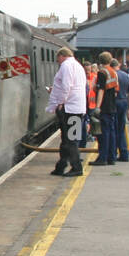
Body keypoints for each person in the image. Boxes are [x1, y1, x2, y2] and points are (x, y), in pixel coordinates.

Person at [47, 47, 86, 177]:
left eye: (57, 58)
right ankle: (61, 165)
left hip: (70, 108)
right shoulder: (78, 66)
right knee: (67, 139)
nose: (57, 61)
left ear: (62, 56)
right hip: (77, 107)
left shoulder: (66, 66)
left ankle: (77, 167)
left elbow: (66, 86)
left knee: (70, 140)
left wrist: (60, 102)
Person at [91, 65, 117, 166]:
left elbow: (101, 90)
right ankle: (112, 157)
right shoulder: (113, 72)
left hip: (104, 107)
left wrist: (97, 106)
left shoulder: (102, 73)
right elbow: (116, 91)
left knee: (103, 134)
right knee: (111, 133)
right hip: (111, 106)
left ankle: (103, 158)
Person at [111, 58, 129, 161]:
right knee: (121, 129)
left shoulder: (112, 75)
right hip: (124, 101)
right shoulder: (126, 75)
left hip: (114, 102)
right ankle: (124, 153)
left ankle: (113, 153)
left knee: (113, 129)